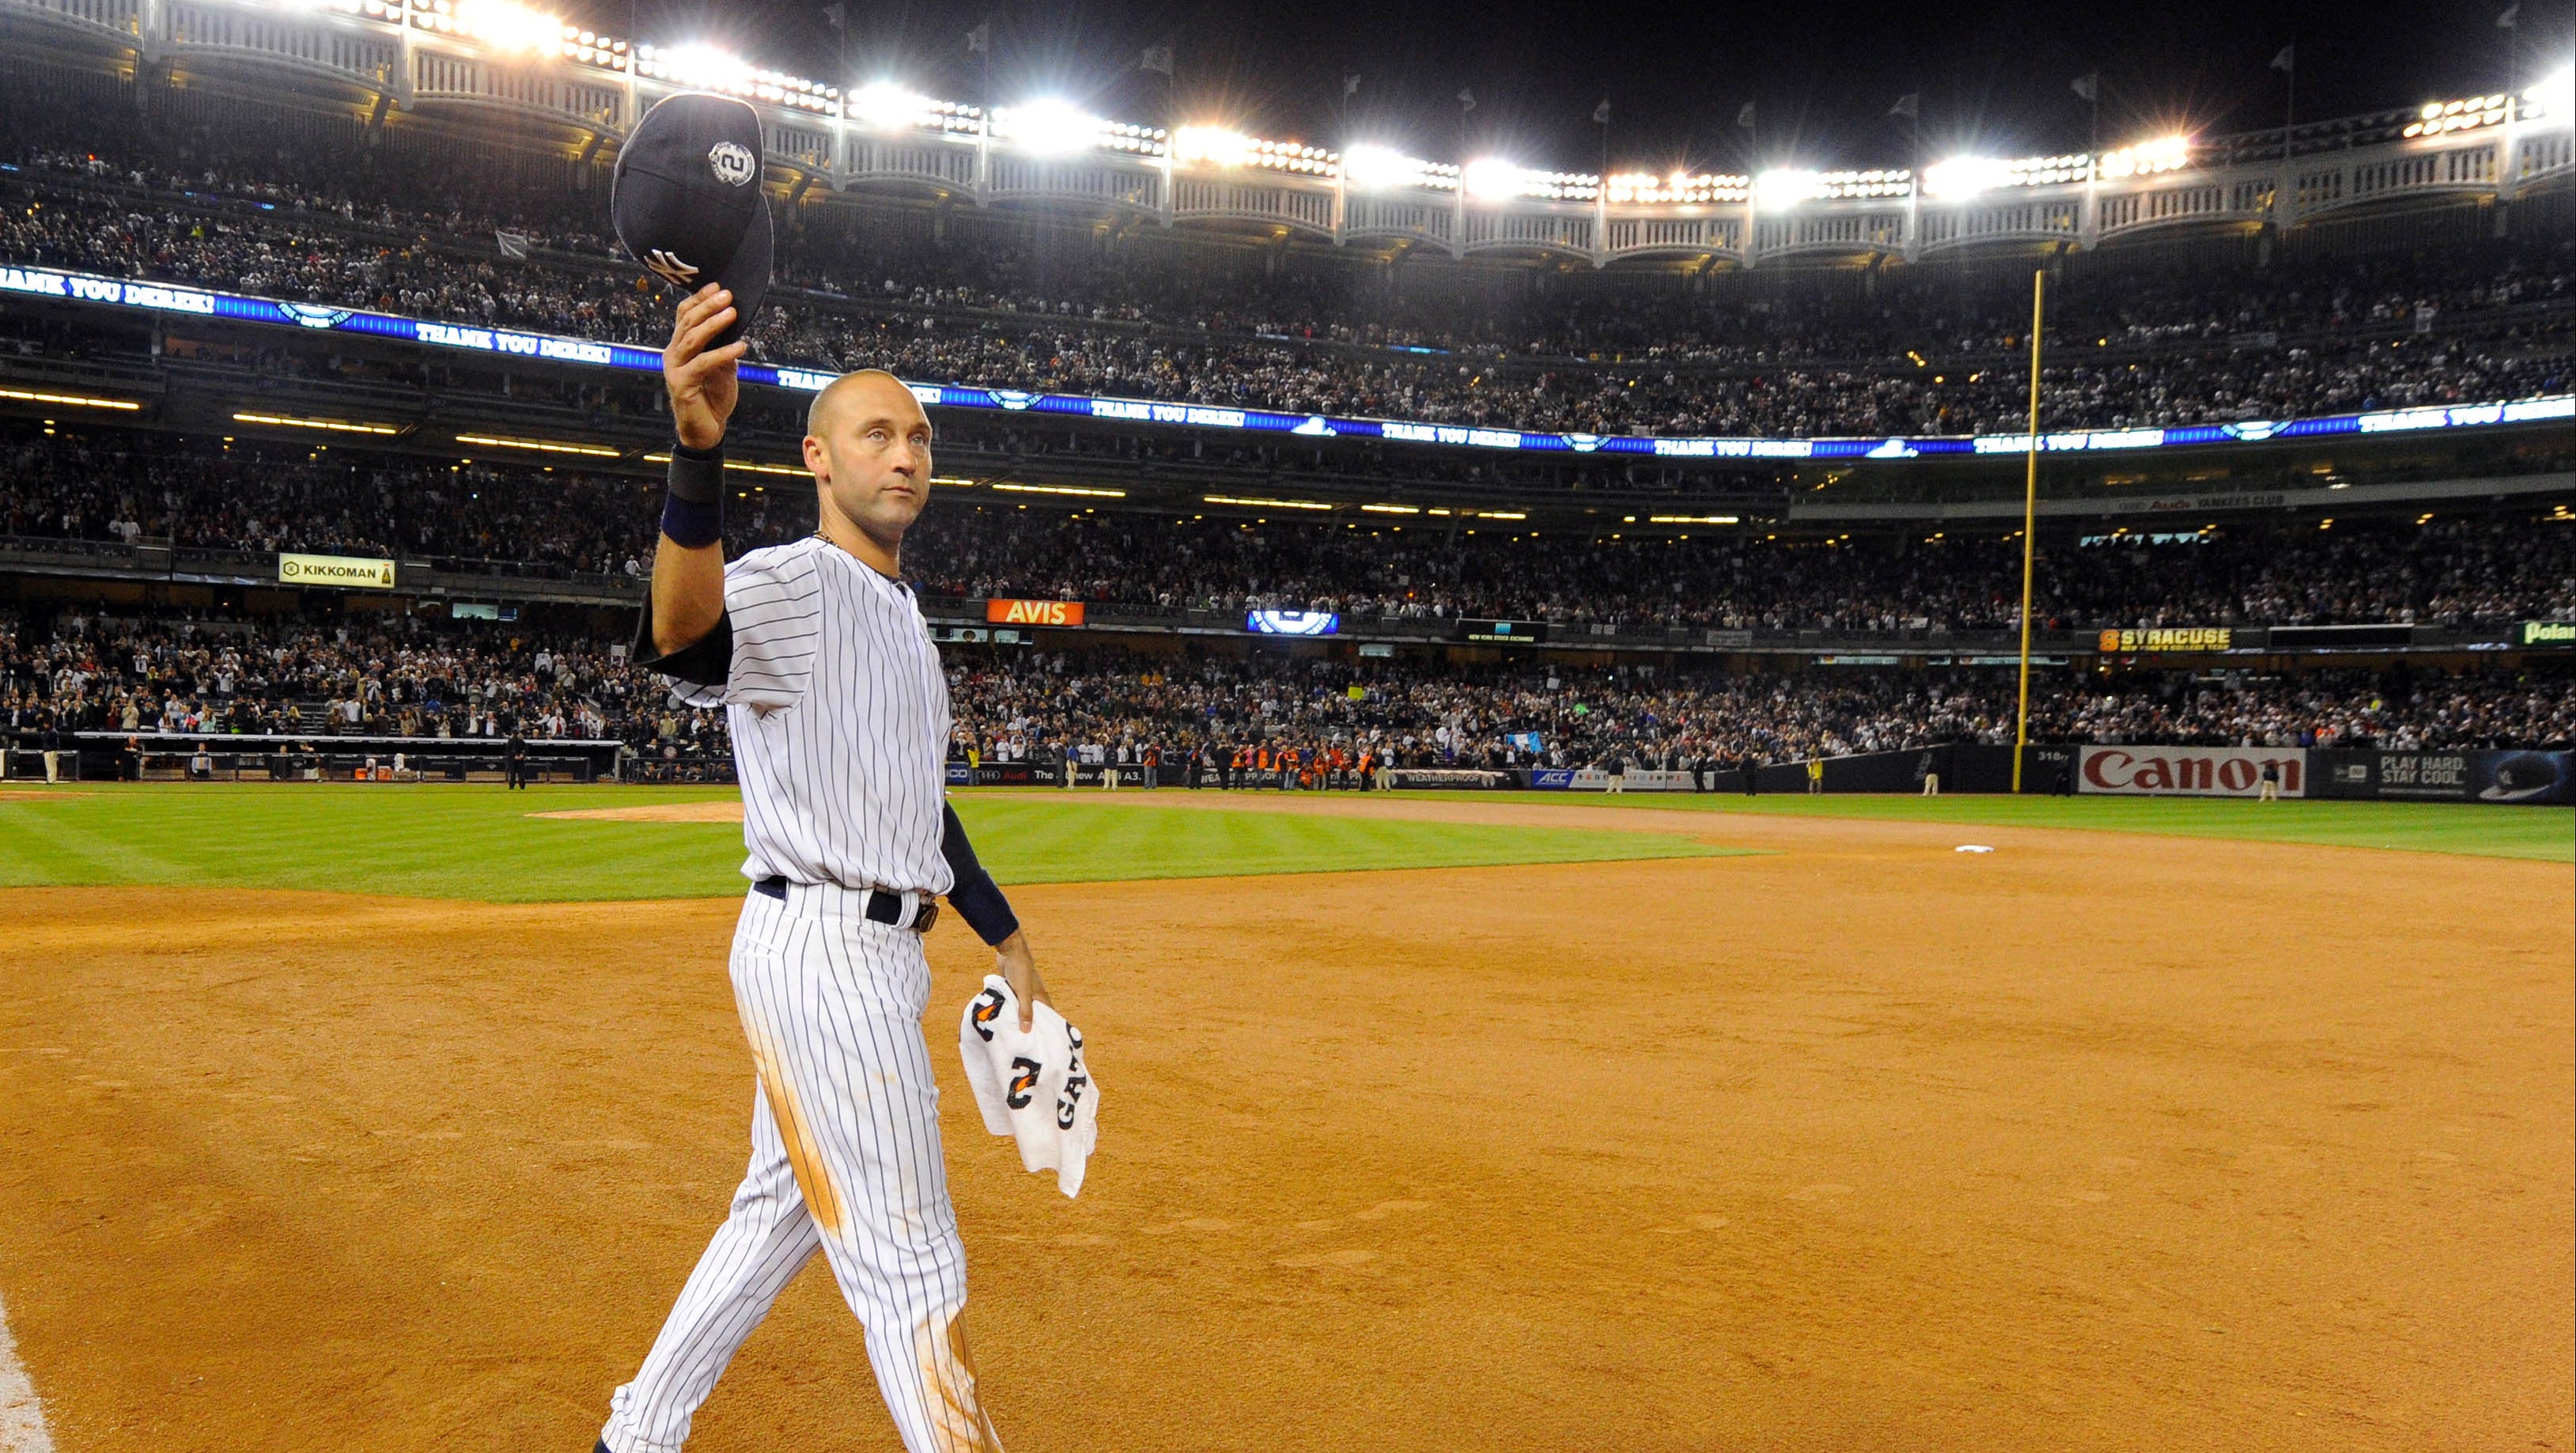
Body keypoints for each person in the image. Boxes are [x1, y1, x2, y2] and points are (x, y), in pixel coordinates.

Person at [598, 283, 1053, 1453]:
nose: (904, 457)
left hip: (873, 952)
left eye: (918, 439)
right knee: (912, 1260)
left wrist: (1003, 930)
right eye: (875, 434)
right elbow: (683, 637)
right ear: (816, 456)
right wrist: (693, 458)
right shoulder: (791, 579)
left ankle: (636, 1432)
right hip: (827, 954)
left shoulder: (901, 612)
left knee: (781, 1206)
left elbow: (917, 804)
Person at [505, 725, 530, 789]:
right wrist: (522, 755)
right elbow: (526, 748)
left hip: (513, 760)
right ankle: (522, 787)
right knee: (520, 775)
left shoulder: (510, 741)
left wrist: (514, 756)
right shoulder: (520, 740)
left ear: (512, 733)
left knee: (513, 775)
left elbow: (508, 751)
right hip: (518, 760)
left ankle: (511, 787)